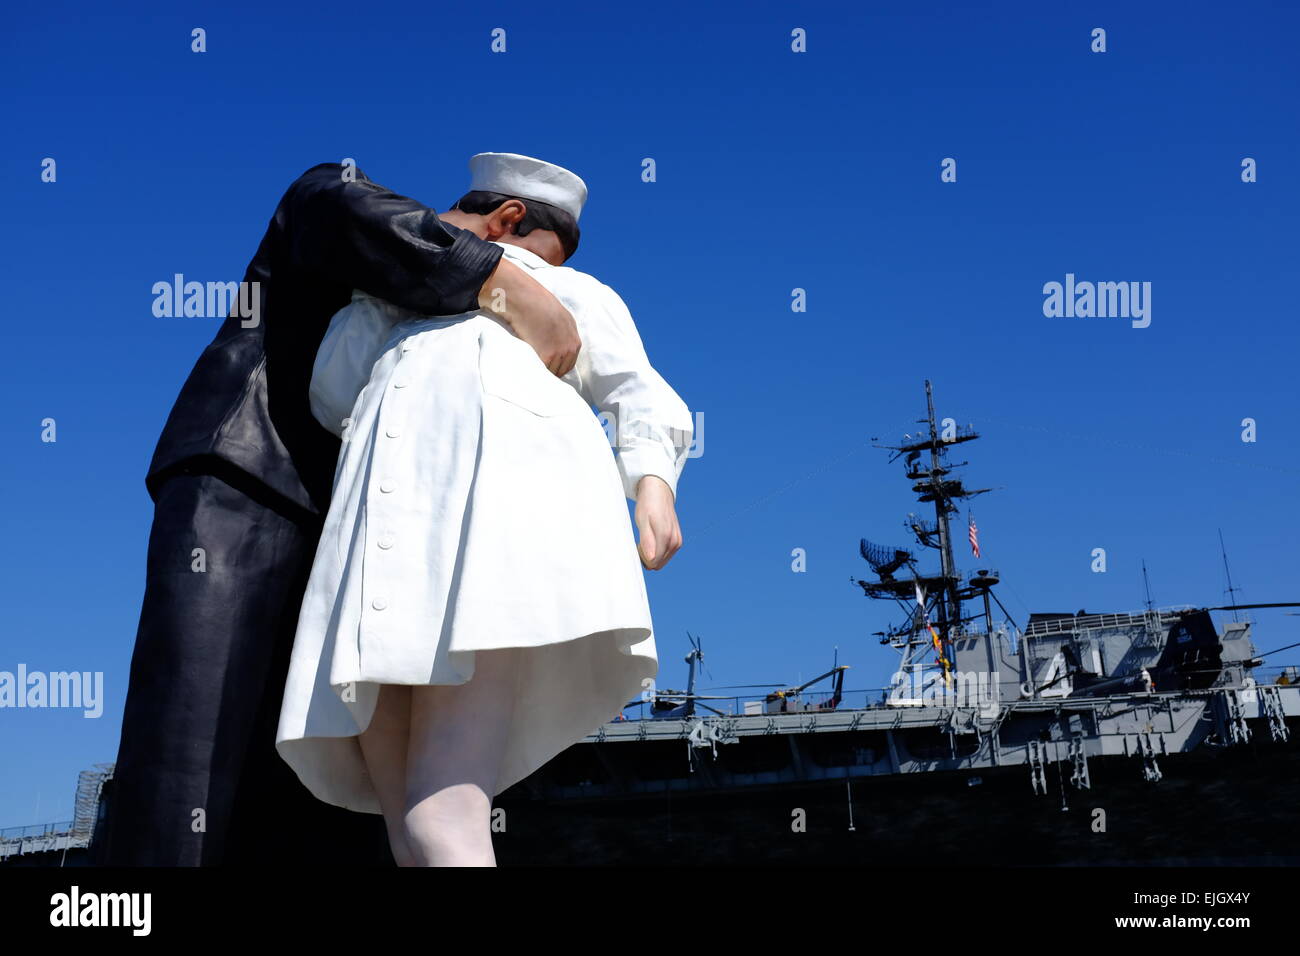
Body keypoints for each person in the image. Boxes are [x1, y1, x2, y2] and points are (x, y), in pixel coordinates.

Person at [93, 160, 582, 867]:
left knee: (320, 780)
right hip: (247, 477)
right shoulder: (351, 209)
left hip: (350, 532)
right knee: (192, 740)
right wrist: (503, 283)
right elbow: (326, 201)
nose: (538, 290)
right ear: (506, 221)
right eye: (537, 267)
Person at [275, 153, 693, 866]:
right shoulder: (398, 302)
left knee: (442, 816)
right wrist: (384, 296)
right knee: (408, 829)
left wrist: (652, 478)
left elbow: (636, 390)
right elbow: (334, 394)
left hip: (490, 542)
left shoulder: (566, 289)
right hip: (381, 548)